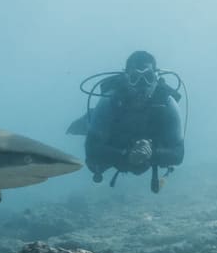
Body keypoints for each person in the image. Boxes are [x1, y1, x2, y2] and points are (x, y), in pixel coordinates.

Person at [74, 51, 185, 193]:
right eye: (135, 78)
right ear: (126, 79)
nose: (142, 86)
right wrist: (127, 154)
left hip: (149, 153)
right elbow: (91, 150)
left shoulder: (167, 103)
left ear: (156, 79)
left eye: (148, 78)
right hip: (117, 147)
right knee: (94, 164)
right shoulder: (109, 101)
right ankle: (90, 120)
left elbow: (178, 153)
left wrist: (151, 153)